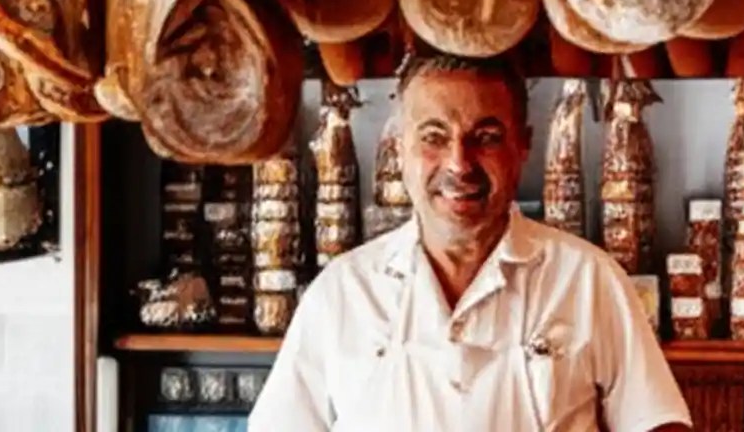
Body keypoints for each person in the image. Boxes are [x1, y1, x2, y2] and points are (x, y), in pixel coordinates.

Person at [249, 54, 693, 431]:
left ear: (523, 145)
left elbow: (658, 423)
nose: (459, 163)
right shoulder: (342, 292)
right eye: (434, 137)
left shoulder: (588, 279)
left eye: (486, 137)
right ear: (399, 149)